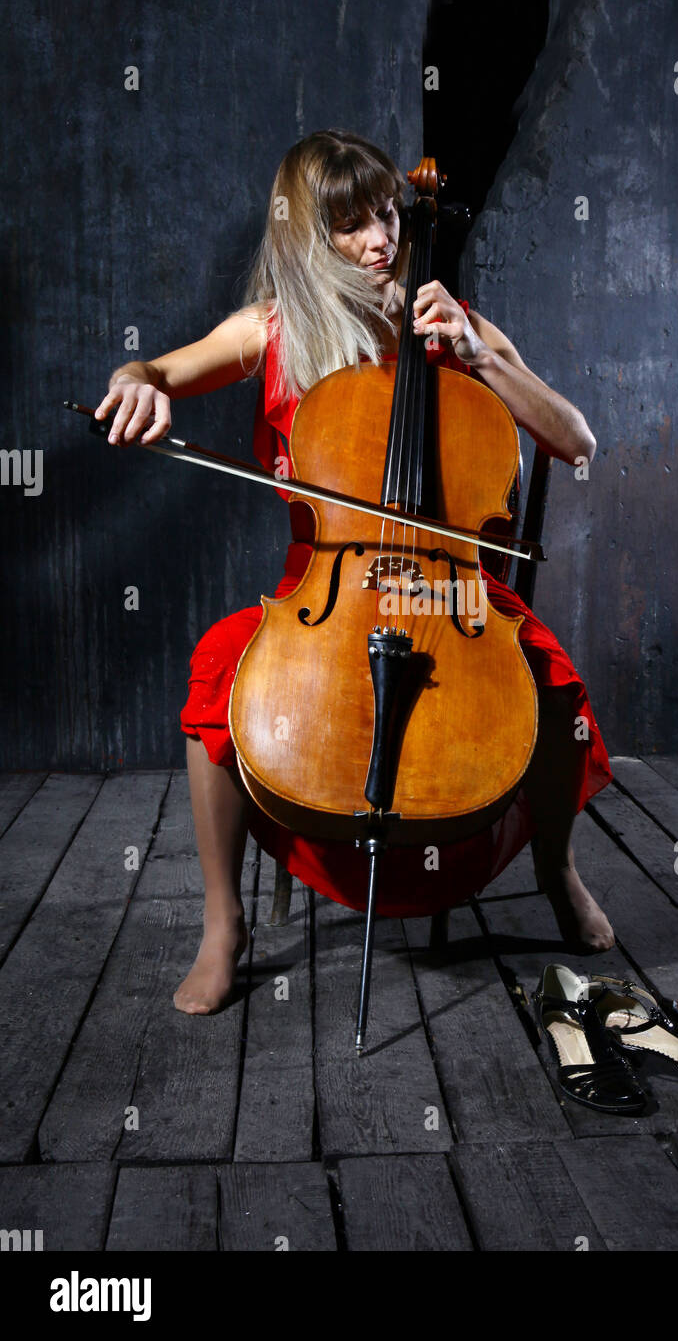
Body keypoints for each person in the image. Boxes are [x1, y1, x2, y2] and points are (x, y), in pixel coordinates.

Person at [95, 129, 615, 1016]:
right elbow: (159, 369)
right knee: (217, 674)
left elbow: (577, 441)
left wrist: (481, 356)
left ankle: (557, 868)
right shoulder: (272, 332)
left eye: (385, 215)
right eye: (350, 225)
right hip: (323, 592)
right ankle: (224, 924)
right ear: (307, 235)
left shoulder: (450, 322)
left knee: (555, 687)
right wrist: (137, 380)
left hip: (453, 588)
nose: (382, 239)